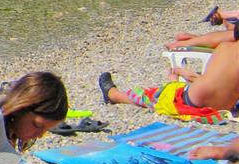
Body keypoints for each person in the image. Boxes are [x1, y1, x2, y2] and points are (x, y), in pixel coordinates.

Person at [101, 35, 239, 118]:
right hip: (223, 108)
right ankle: (175, 86)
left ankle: (114, 95)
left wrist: (182, 77)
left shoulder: (224, 47)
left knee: (153, 96)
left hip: (194, 99)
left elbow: (208, 81)